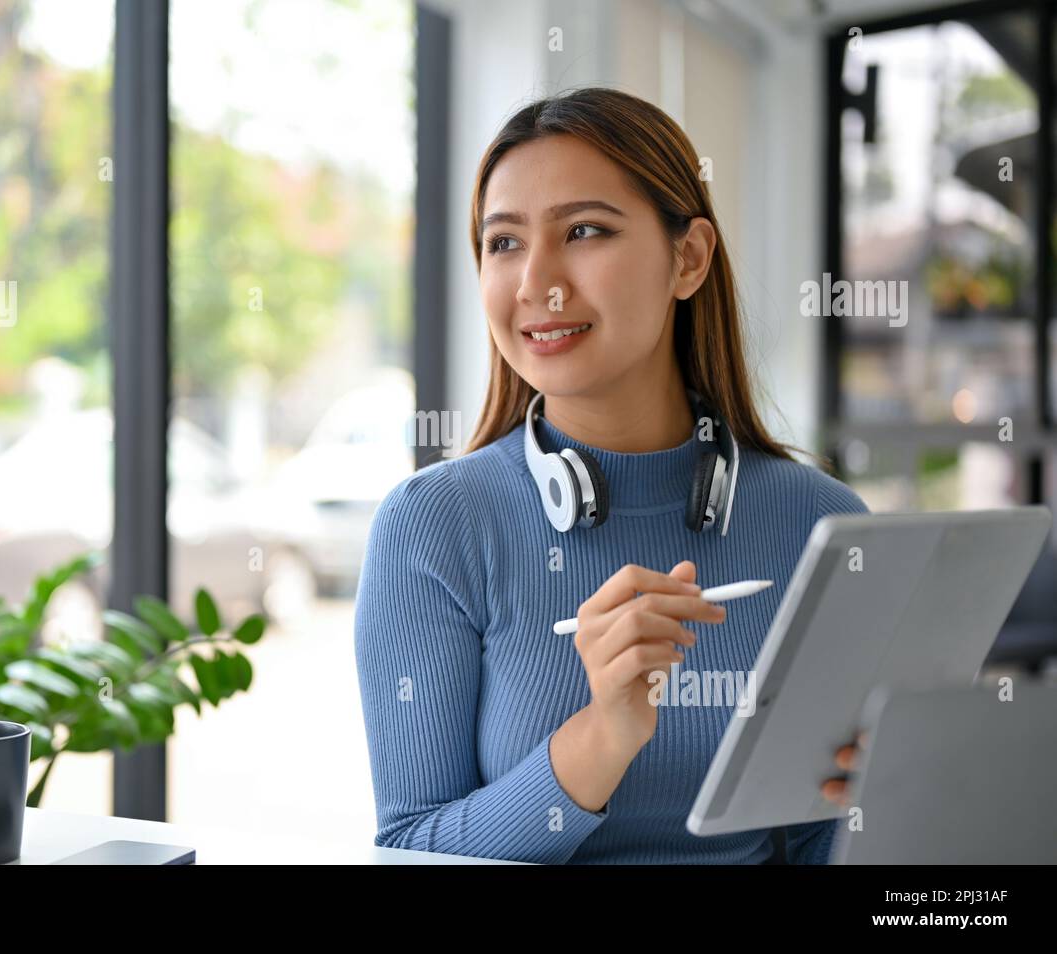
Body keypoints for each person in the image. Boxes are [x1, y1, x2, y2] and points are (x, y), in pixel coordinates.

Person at [354, 86, 867, 864]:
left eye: (584, 231)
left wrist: (877, 803)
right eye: (504, 243)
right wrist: (602, 735)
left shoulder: (823, 526)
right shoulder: (434, 527)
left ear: (688, 258)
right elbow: (410, 850)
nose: (536, 283)